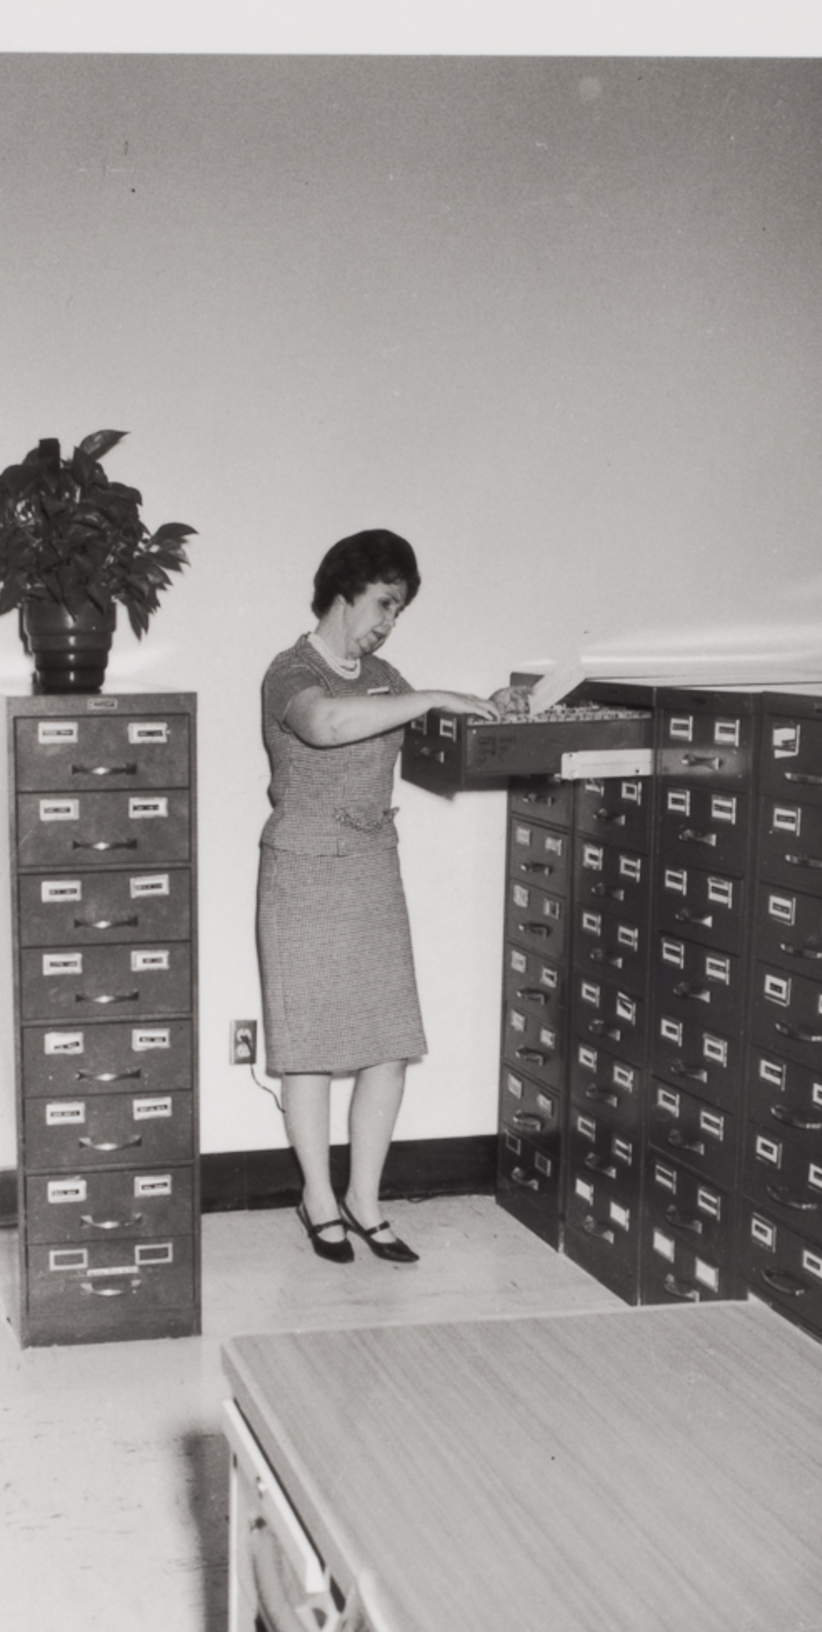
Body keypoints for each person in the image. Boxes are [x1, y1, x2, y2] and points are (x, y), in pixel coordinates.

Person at [255, 530, 516, 1264]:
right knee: (309, 1050)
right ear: (343, 592)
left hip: (372, 866)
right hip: (304, 868)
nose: (389, 622)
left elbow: (433, 731)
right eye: (383, 603)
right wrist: (426, 696)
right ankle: (318, 1199)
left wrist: (493, 710)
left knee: (389, 1044)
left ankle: (364, 1201)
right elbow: (326, 724)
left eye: (398, 610)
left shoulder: (386, 676)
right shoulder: (291, 671)